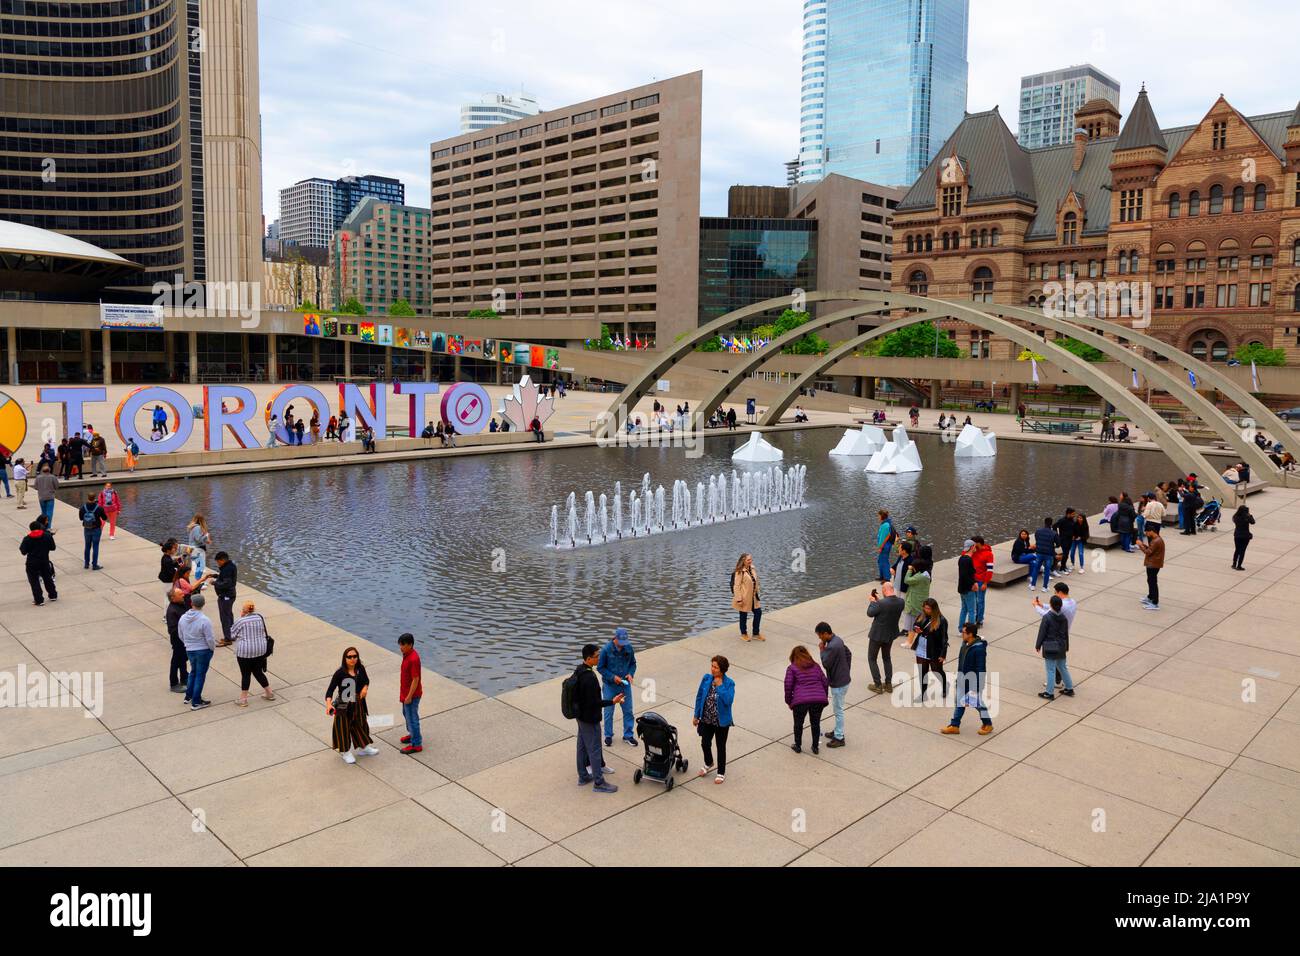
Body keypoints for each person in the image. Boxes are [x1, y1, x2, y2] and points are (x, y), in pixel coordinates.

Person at [572, 643, 623, 793]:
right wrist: (613, 701)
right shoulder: (589, 678)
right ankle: (599, 783)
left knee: (581, 746)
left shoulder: (579, 670)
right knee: (594, 749)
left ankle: (583, 776)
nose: (599, 658)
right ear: (588, 659)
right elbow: (595, 702)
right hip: (590, 718)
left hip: (580, 716)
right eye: (596, 656)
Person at [325, 647, 380, 764]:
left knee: (361, 725)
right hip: (344, 706)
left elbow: (366, 681)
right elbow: (330, 690)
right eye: (349, 657)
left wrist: (365, 688)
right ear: (344, 658)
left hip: (359, 704)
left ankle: (363, 748)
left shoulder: (360, 669)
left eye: (355, 656)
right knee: (343, 728)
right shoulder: (340, 673)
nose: (352, 659)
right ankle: (345, 752)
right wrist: (329, 704)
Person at [942, 623, 993, 735]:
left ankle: (988, 723)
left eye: (964, 632)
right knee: (960, 702)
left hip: (972, 681)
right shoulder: (965, 643)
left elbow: (981, 668)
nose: (962, 634)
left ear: (970, 634)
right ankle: (955, 725)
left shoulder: (979, 649)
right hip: (962, 679)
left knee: (977, 704)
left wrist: (978, 686)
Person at [693, 655, 735, 784]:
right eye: (712, 666)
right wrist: (696, 715)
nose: (712, 669)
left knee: (720, 746)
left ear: (722, 669)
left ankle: (721, 772)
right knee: (705, 743)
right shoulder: (706, 679)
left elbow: (728, 701)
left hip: (721, 722)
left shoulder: (729, 683)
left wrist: (720, 686)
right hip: (706, 719)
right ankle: (708, 762)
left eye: (716, 667)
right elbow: (699, 697)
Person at [597, 627, 637, 747]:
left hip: (625, 685)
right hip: (610, 685)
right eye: (621, 642)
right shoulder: (606, 650)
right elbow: (600, 668)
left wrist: (631, 673)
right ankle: (608, 735)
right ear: (615, 638)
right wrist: (613, 677)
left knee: (628, 710)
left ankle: (628, 735)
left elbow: (633, 664)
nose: (622, 645)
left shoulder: (629, 648)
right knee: (609, 711)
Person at [785, 645, 829, 754]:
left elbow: (788, 686)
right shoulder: (816, 666)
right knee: (815, 723)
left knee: (798, 724)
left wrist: (789, 701)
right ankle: (815, 747)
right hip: (818, 700)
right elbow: (825, 682)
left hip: (801, 701)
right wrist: (824, 697)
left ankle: (798, 746)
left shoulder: (792, 668)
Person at [231, 601, 274, 707]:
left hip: (245, 652)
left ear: (244, 610)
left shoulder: (241, 621)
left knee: (245, 674)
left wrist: (242, 618)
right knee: (258, 671)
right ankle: (269, 693)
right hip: (260, 650)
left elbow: (232, 635)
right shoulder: (260, 617)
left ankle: (243, 699)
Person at [906, 597, 948, 703]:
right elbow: (915, 625)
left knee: (936, 670)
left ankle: (944, 685)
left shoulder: (942, 620)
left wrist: (943, 654)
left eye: (928, 608)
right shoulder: (922, 615)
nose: (926, 610)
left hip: (934, 649)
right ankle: (923, 694)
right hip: (921, 646)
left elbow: (944, 638)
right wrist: (916, 628)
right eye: (925, 608)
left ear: (934, 609)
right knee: (922, 672)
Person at [816, 621, 851, 748]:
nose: (820, 638)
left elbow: (825, 663)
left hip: (838, 683)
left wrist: (821, 650)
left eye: (820, 636)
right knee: (838, 709)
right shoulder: (838, 640)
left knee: (838, 710)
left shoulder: (831, 646)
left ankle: (839, 737)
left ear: (825, 633)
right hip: (844, 679)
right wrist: (846, 670)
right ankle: (837, 731)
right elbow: (849, 654)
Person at [179, 593, 216, 710]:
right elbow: (210, 638)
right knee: (200, 675)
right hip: (203, 650)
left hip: (190, 649)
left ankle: (188, 696)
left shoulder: (183, 618)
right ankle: (196, 702)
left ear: (191, 603)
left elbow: (181, 635)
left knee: (193, 672)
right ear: (203, 604)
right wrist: (212, 648)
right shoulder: (205, 620)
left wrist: (187, 644)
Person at [866, 582, 904, 693]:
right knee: (886, 658)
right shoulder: (901, 602)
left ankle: (877, 685)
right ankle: (888, 684)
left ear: (883, 590)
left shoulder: (881, 604)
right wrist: (878, 602)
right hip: (890, 634)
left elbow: (870, 613)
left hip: (877, 635)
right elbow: (887, 608)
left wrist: (872, 602)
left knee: (872, 658)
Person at [1035, 594, 1074, 700]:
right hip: (1061, 645)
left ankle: (1049, 692)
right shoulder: (1063, 618)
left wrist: (1038, 645)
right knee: (1062, 667)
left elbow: (1042, 632)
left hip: (1050, 646)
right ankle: (1069, 688)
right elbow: (1066, 634)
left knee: (1051, 670)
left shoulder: (1047, 617)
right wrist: (1066, 646)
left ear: (1051, 605)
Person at [19, 519, 58, 606]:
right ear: (40, 527)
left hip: (32, 563)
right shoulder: (47, 536)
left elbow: (23, 552)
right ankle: (53, 595)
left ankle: (39, 600)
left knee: (34, 581)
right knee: (48, 578)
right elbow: (53, 548)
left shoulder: (27, 539)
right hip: (44, 561)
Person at [398, 632, 423, 754]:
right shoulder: (406, 654)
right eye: (400, 645)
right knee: (406, 713)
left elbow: (416, 679)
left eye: (403, 645)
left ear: (410, 645)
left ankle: (416, 744)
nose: (401, 647)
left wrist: (409, 696)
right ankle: (412, 734)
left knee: (412, 718)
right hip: (405, 693)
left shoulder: (413, 658)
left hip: (411, 695)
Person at [730, 552, 763, 641]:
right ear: (743, 561)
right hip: (744, 597)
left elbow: (755, 580)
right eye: (748, 560)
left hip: (753, 597)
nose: (750, 561)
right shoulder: (739, 571)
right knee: (743, 615)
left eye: (751, 559)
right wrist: (739, 599)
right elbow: (736, 586)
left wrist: (757, 590)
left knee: (758, 612)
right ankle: (743, 634)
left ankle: (756, 634)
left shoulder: (752, 568)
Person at [901, 549, 932, 633]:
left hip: (916, 602)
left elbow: (907, 580)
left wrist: (909, 570)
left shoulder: (920, 577)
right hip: (918, 600)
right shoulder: (924, 574)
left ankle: (911, 638)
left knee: (914, 622)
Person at [165, 587, 189, 692]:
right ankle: (174, 683)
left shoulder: (180, 604)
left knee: (183, 660)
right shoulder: (172, 611)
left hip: (184, 640)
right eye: (180, 594)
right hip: (178, 641)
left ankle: (184, 678)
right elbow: (173, 630)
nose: (183, 595)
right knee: (176, 661)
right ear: (173, 598)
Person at [212, 551, 238, 646]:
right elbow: (227, 578)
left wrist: (215, 583)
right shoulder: (230, 566)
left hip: (226, 596)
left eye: (218, 562)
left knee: (225, 617)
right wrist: (217, 576)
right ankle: (232, 634)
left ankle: (227, 639)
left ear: (222, 560)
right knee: (229, 615)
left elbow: (227, 583)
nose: (218, 564)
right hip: (230, 595)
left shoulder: (226, 569)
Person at [1137, 525, 1165, 610]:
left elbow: (1148, 552)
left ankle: (1155, 603)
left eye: (1147, 532)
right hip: (1153, 564)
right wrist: (1143, 545)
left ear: (1151, 531)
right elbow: (1151, 549)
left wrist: (1140, 545)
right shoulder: (1156, 539)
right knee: (1150, 580)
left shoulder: (1156, 541)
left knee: (1153, 582)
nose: (1146, 534)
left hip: (1153, 565)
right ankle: (1150, 597)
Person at [78, 494, 107, 570]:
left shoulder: (83, 507)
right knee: (95, 546)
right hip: (96, 529)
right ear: (94, 498)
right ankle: (94, 565)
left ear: (88, 498)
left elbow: (81, 518)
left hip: (87, 529)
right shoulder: (99, 508)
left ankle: (86, 564)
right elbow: (105, 518)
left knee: (87, 546)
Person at [1031, 517, 1058, 592]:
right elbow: (1058, 544)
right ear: (1051, 523)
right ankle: (1044, 587)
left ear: (1044, 522)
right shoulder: (1054, 533)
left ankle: (1033, 585)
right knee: (1047, 570)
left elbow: (1037, 540)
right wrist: (1053, 546)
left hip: (1039, 552)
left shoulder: (1038, 531)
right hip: (1049, 554)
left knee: (1036, 569)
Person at [957, 539, 977, 629]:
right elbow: (966, 575)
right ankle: (971, 631)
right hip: (968, 589)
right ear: (972, 547)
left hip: (962, 588)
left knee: (964, 609)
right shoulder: (968, 560)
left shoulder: (961, 558)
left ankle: (961, 628)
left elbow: (963, 575)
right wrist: (973, 584)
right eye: (975, 546)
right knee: (972, 611)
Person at [1231, 505, 1255, 571]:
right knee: (1242, 551)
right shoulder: (1247, 517)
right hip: (1245, 536)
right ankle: (1239, 566)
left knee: (1237, 550)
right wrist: (1250, 515)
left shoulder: (1235, 517)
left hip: (1237, 535)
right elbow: (1253, 522)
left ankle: (1234, 564)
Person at [875, 509, 896, 583]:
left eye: (879, 515)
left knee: (884, 561)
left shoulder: (885, 525)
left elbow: (885, 537)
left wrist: (880, 547)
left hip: (885, 546)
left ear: (882, 516)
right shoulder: (886, 524)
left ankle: (886, 578)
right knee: (880, 560)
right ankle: (882, 576)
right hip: (885, 545)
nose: (878, 517)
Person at [1053, 509, 1076, 575]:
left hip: (1070, 540)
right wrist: (1057, 536)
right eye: (1073, 514)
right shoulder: (1062, 520)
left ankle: (1064, 566)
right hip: (1064, 539)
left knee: (1067, 554)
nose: (1074, 515)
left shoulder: (1071, 520)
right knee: (1065, 554)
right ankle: (1061, 569)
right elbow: (1054, 526)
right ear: (1068, 514)